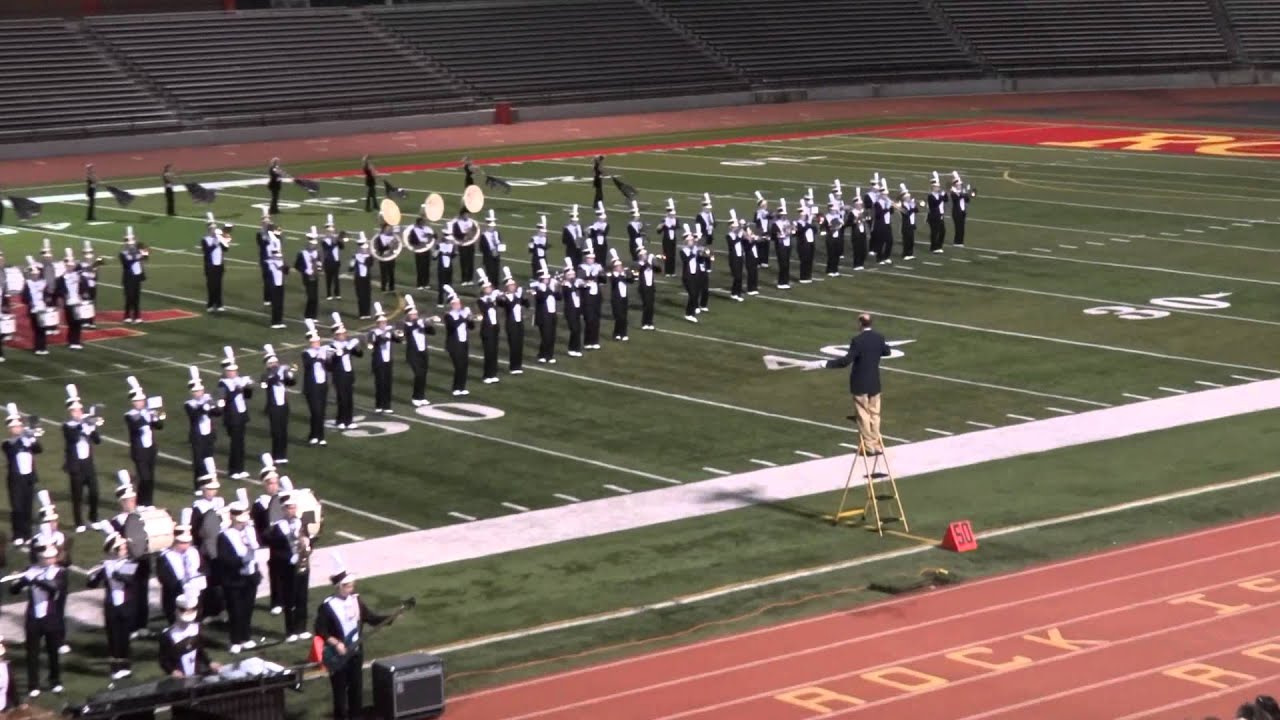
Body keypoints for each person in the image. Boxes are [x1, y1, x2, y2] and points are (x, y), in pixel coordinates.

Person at [315, 553, 392, 720]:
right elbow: (320, 630)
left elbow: (370, 618)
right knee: (339, 691)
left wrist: (389, 618)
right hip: (338, 655)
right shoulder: (327, 606)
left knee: (356, 689)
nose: (352, 588)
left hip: (355, 653)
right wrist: (336, 644)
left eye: (351, 585)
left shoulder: (356, 601)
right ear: (340, 587)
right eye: (348, 586)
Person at [807, 314, 891, 454]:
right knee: (875, 414)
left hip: (860, 383)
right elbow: (887, 352)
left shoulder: (858, 340)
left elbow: (845, 361)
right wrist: (873, 352)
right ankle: (877, 444)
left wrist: (824, 364)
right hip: (875, 382)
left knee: (863, 415)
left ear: (860, 323)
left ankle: (868, 447)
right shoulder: (879, 337)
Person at [11, 542, 66, 697]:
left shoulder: (59, 572)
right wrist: (22, 581)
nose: (51, 560)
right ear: (40, 558)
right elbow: (14, 590)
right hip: (33, 617)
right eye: (47, 558)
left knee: (53, 651)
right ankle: (33, 685)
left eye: (52, 557)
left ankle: (55, 680)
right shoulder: (30, 570)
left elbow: (54, 589)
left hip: (51, 617)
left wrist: (35, 580)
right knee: (32, 653)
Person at [87, 531, 138, 680]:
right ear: (114, 551)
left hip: (126, 606)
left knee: (124, 638)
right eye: (122, 548)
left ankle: (126, 667)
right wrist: (94, 576)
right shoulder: (105, 565)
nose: (125, 550)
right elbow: (92, 584)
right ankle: (115, 668)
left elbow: (130, 581)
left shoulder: (129, 563)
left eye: (124, 548)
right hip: (111, 607)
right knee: (113, 638)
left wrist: (117, 574)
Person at [216, 490, 261, 654]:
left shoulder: (250, 531)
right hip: (234, 579)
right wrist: (242, 560)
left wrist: (252, 544)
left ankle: (246, 637)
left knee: (248, 609)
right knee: (235, 610)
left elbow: (257, 547)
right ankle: (235, 640)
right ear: (233, 518)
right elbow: (224, 559)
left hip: (250, 577)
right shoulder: (225, 536)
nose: (243, 523)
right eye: (240, 520)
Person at [267, 483, 311, 642]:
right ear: (284, 510)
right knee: (290, 599)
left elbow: (308, 539)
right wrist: (289, 558)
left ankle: (302, 628)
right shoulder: (278, 528)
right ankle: (290, 631)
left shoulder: (301, 523)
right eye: (289, 508)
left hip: (303, 565)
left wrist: (307, 547)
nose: (292, 511)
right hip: (288, 568)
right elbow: (275, 551)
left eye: (293, 508)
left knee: (302, 598)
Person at [61, 384, 101, 531]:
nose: (78, 412)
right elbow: (72, 438)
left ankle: (93, 518)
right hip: (75, 466)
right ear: (70, 412)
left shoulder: (86, 424)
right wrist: (82, 425)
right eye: (75, 411)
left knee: (94, 492)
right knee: (77, 496)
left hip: (88, 464)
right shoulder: (67, 426)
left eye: (79, 410)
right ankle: (79, 523)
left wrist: (92, 428)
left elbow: (97, 440)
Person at [158, 590, 221, 678]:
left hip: (197, 674)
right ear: (176, 612)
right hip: (180, 678)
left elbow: (199, 650)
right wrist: (172, 671)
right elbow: (163, 660)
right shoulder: (168, 635)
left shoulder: (197, 628)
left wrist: (209, 663)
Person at [4, 405, 41, 546]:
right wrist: (25, 435)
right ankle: (17, 534)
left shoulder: (27, 440)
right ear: (10, 429)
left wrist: (32, 438)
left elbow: (39, 449)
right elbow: (13, 450)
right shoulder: (7, 443)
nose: (18, 429)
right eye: (15, 427)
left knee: (27, 507)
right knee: (17, 508)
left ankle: (27, 534)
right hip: (16, 480)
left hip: (29, 478)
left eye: (19, 426)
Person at [123, 376, 163, 506]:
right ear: (133, 402)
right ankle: (140, 502)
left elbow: (160, 426)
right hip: (139, 451)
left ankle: (149, 503)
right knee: (144, 477)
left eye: (142, 400)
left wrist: (156, 417)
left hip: (150, 449)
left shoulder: (148, 412)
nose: (141, 403)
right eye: (138, 401)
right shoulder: (130, 415)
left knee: (151, 478)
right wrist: (148, 415)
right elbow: (136, 425)